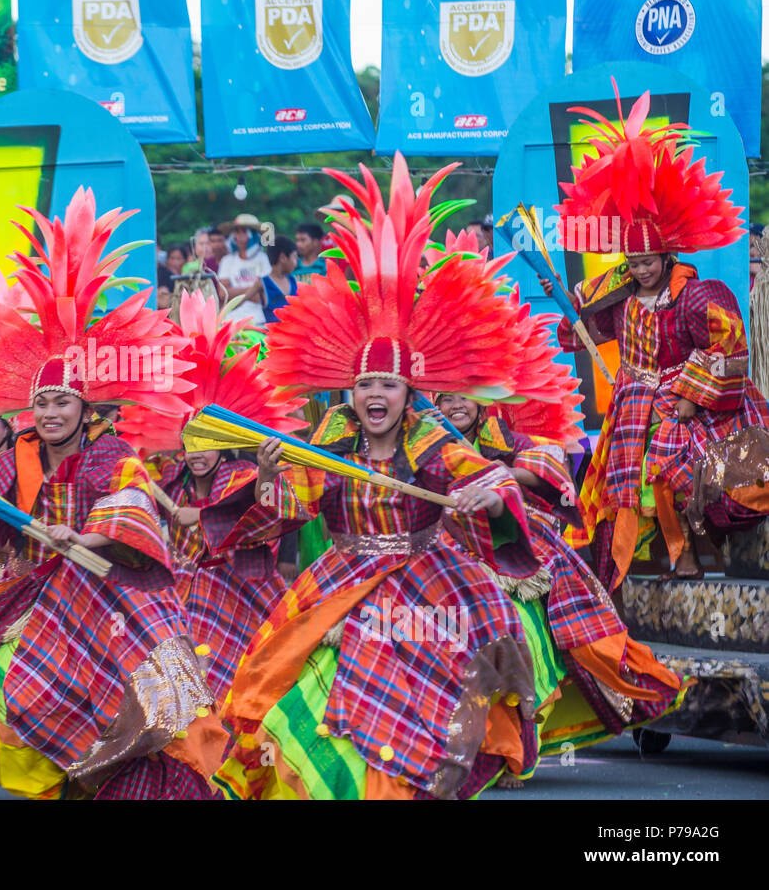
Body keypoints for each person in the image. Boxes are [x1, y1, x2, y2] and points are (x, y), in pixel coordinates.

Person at [213, 156, 556, 800]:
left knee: (429, 692)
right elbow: (298, 501)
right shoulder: (334, 434)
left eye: (388, 384)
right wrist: (265, 482)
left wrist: (490, 491)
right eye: (365, 383)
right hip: (340, 580)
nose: (376, 393)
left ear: (407, 391)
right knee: (292, 691)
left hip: (425, 580)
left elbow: (481, 474)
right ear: (351, 388)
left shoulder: (429, 435)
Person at [0, 189, 225, 799]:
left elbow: (134, 510)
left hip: (111, 589)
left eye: (61, 401)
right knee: (0, 676)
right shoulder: (10, 460)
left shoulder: (112, 455)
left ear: (86, 407)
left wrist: (79, 535)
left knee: (153, 704)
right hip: (35, 593)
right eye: (41, 401)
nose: (49, 411)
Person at [548, 88, 765, 587]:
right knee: (618, 492)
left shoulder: (696, 294)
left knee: (676, 471)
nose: (641, 270)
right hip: (631, 407)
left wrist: (688, 397)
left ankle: (688, 556)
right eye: (632, 264)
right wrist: (565, 298)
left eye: (648, 262)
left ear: (666, 255)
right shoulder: (621, 296)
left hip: (688, 406)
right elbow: (576, 333)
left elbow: (729, 349)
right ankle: (640, 573)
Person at [434, 391, 686, 776]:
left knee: (526, 651)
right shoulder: (426, 448)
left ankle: (517, 755)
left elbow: (550, 468)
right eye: (446, 399)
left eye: (464, 397)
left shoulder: (507, 440)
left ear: (482, 402)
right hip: (449, 560)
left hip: (515, 557)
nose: (456, 406)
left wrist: (501, 475)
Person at [116, 290, 305, 704]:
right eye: (189, 440)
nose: (197, 452)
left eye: (206, 440)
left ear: (224, 441)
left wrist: (200, 517)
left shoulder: (243, 474)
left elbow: (263, 509)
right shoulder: (167, 481)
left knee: (240, 698)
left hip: (243, 592)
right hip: (181, 599)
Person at [216, 214, 271, 326]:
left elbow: (265, 292)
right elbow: (223, 293)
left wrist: (234, 292)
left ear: (253, 235)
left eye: (244, 232)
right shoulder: (227, 261)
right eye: (237, 232)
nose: (239, 236)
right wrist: (253, 290)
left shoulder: (263, 259)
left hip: (257, 319)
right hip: (231, 320)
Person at [261, 236, 299, 323]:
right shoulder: (262, 283)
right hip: (271, 333)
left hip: (294, 333)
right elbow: (240, 301)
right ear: (282, 257)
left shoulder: (294, 281)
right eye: (295, 257)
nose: (296, 264)